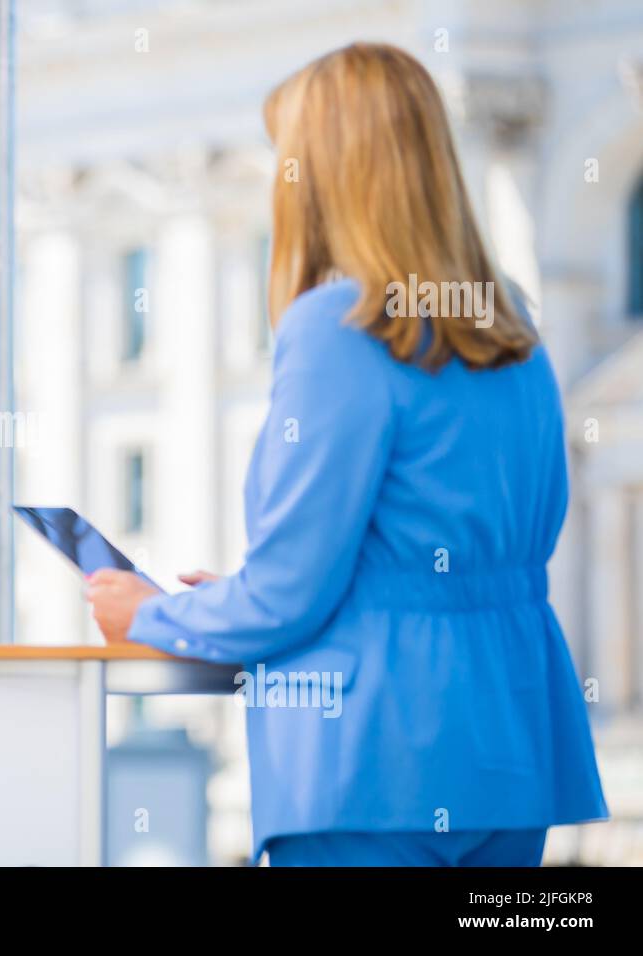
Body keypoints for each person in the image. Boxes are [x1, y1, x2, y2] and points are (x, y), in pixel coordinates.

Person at [85, 43, 609, 867]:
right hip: (510, 741)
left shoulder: (340, 326)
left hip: (368, 754)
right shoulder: (512, 326)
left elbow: (290, 592)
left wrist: (148, 615)